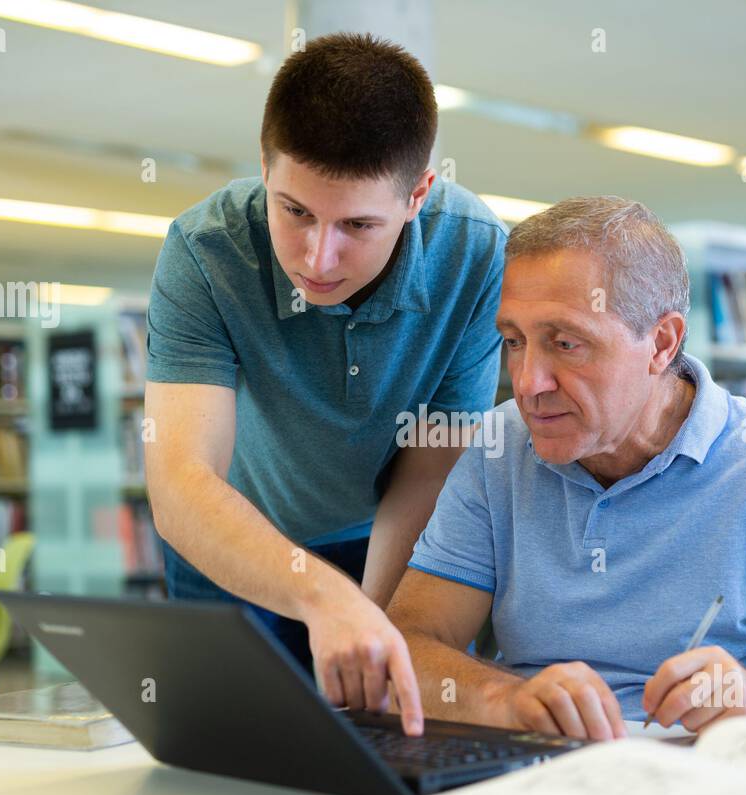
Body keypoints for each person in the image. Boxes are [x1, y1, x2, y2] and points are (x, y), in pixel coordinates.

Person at [386, 196, 746, 743]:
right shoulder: (498, 450)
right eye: (515, 342)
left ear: (661, 342)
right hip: (534, 781)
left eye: (565, 343)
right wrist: (506, 698)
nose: (529, 382)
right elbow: (412, 640)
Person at [144, 34, 508, 735]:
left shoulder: (475, 250)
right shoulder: (202, 252)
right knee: (226, 758)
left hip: (384, 539)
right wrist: (319, 598)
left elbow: (430, 467)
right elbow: (181, 480)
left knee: (378, 743)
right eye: (296, 211)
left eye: (358, 225)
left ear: (418, 195)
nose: (317, 256)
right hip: (231, 540)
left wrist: (373, 617)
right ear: (264, 168)